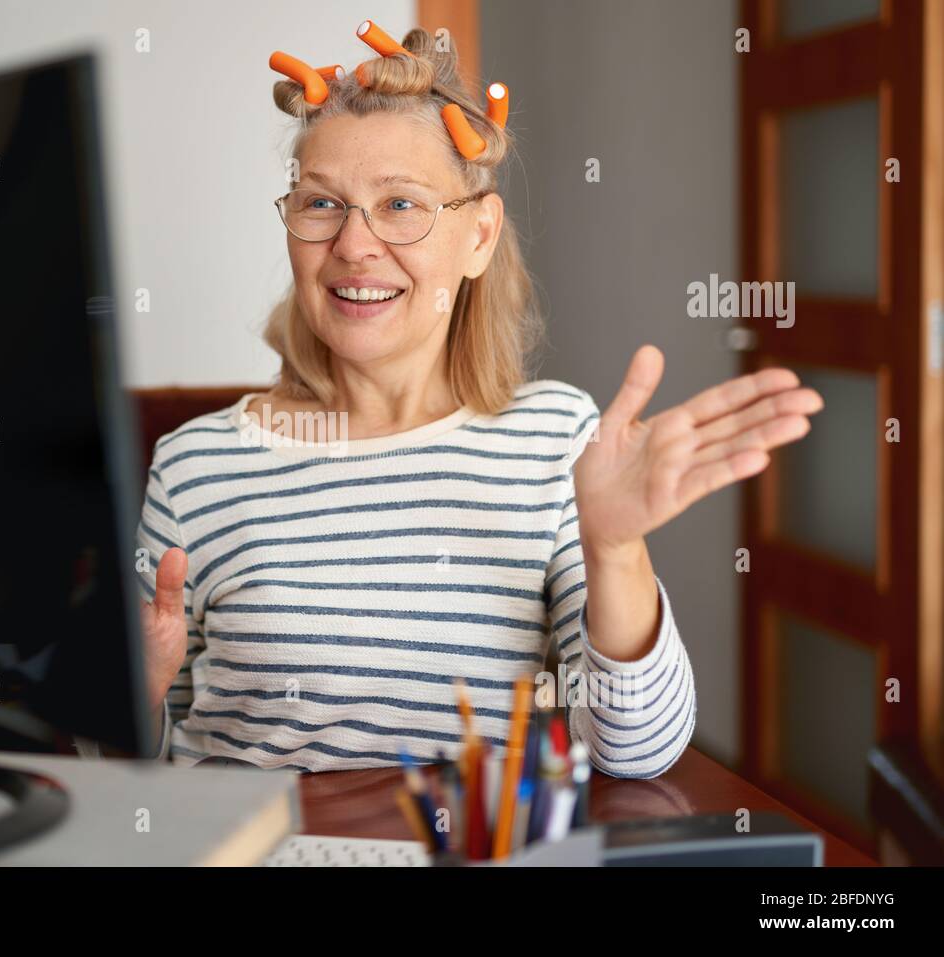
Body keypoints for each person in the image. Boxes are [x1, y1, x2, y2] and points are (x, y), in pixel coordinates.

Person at [131, 22, 822, 776]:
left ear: (480, 235)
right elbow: (138, 773)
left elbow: (639, 752)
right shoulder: (195, 463)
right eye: (322, 203)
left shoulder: (557, 440)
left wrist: (614, 547)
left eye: (400, 204)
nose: (355, 246)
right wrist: (134, 701)